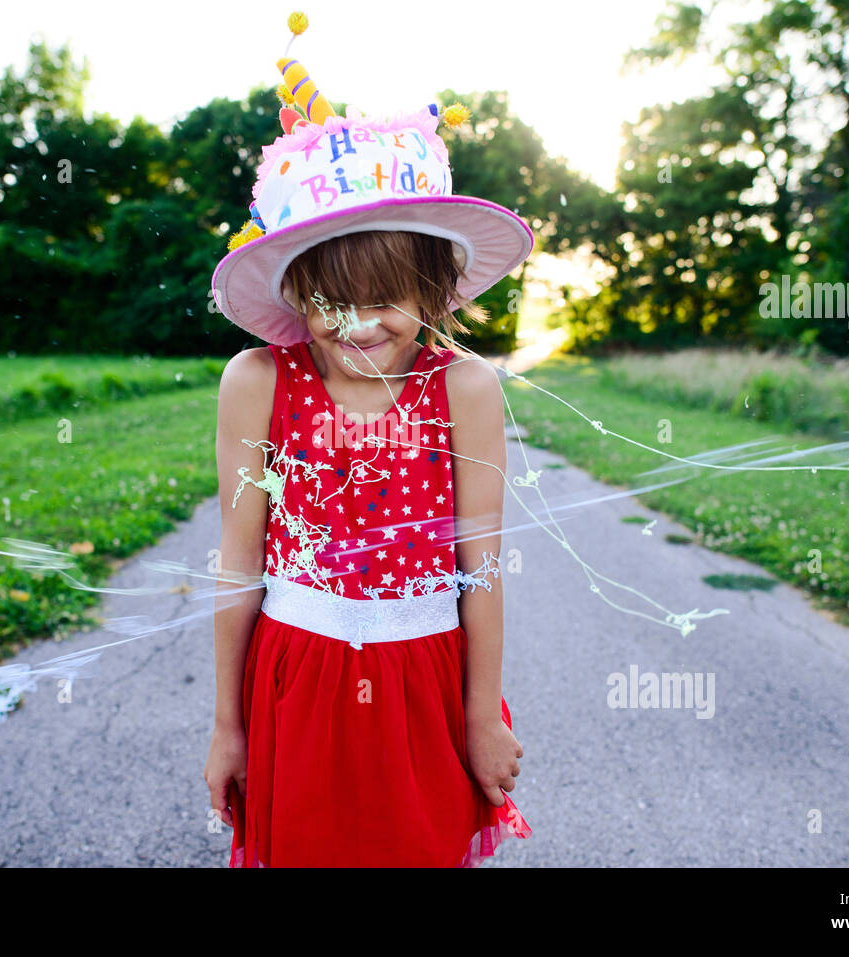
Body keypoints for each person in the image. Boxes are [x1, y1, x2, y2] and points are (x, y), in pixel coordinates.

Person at [203, 12, 535, 867]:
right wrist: (226, 726)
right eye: (333, 300)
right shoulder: (259, 382)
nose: (360, 324)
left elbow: (481, 566)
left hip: (424, 679)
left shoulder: (463, 387)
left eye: (389, 295)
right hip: (297, 678)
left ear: (433, 287)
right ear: (297, 288)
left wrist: (481, 711)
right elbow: (239, 561)